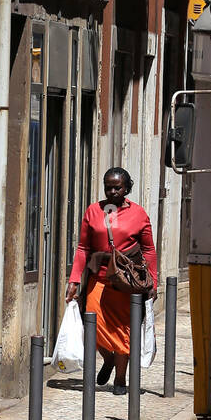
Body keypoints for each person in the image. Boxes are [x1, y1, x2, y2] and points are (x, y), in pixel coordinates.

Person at [66, 168, 157, 394]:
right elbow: (82, 248)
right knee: (92, 325)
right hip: (99, 278)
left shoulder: (139, 214)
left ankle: (119, 378)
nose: (113, 191)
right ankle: (107, 359)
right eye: (109, 187)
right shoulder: (93, 211)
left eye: (118, 187)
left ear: (126, 188)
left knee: (122, 331)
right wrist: (74, 280)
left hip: (126, 281)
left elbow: (149, 250)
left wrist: (153, 281)